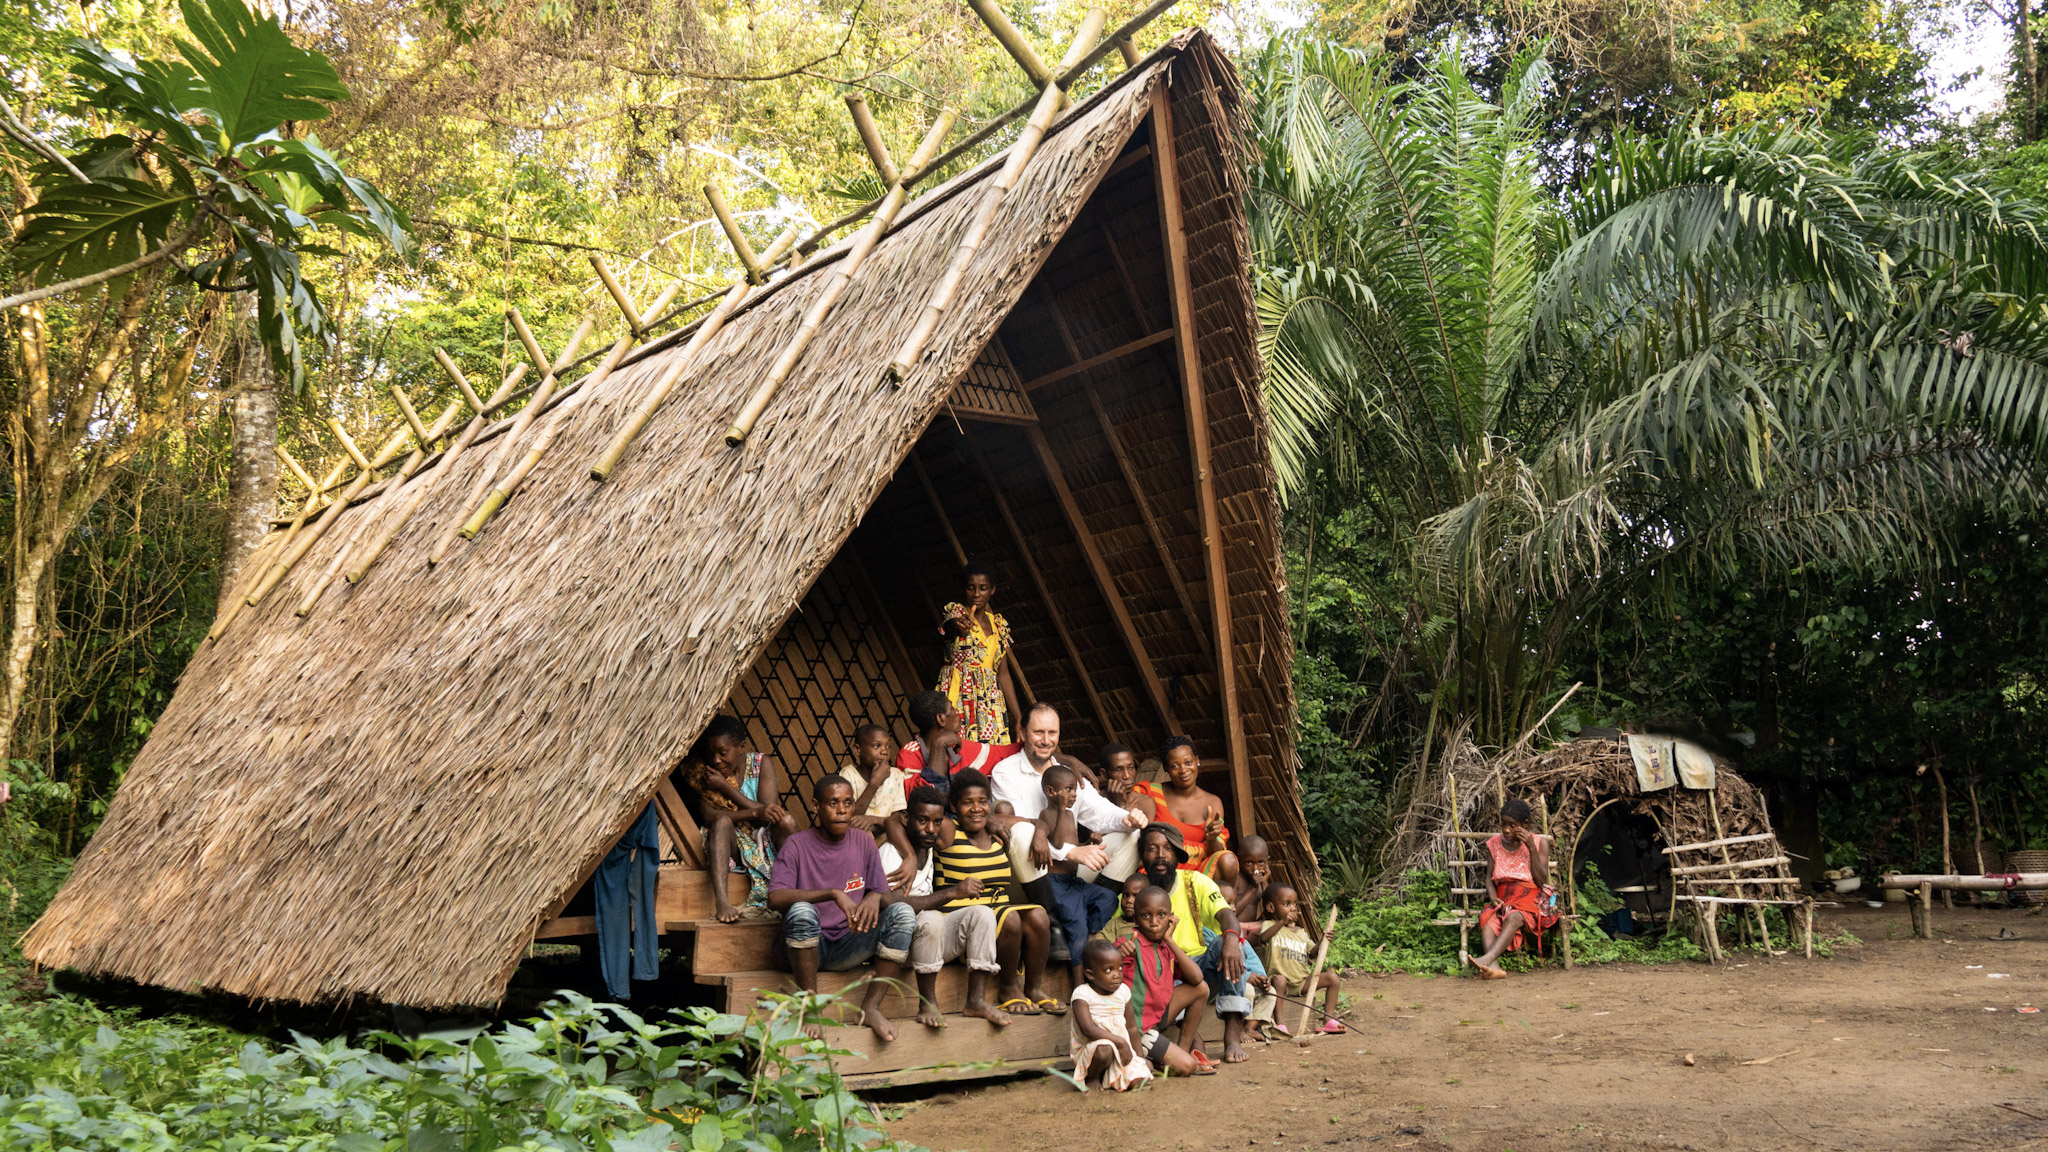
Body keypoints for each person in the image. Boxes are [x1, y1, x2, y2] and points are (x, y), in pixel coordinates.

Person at [766, 776, 915, 1041]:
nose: (842, 809)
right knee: (801, 911)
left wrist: (874, 896)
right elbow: (775, 898)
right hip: (807, 947)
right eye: (833, 803)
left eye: (848, 803)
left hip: (850, 943)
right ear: (816, 806)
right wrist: (833, 894)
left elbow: (882, 892)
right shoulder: (797, 844)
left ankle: (871, 1006)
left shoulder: (863, 841)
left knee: (902, 914)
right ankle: (810, 1008)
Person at [881, 785, 1015, 1029]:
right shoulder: (892, 852)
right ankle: (927, 1002)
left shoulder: (929, 848)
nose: (930, 829)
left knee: (982, 914)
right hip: (898, 948)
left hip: (928, 943)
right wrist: (953, 892)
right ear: (906, 819)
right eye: (922, 821)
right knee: (931, 918)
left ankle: (976, 1000)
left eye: (936, 822)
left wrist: (990, 822)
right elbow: (891, 903)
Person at [930, 768, 1059, 1015]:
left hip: (998, 913)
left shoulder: (994, 826)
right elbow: (901, 818)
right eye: (968, 803)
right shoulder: (948, 829)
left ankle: (1033, 988)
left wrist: (1040, 835)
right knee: (1009, 917)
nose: (977, 808)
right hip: (962, 922)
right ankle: (1008, 987)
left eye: (982, 802)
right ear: (954, 806)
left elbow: (1038, 822)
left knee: (1038, 915)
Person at [1135, 823, 1265, 1063]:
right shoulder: (1135, 890)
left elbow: (1227, 915)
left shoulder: (1194, 882)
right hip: (1161, 972)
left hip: (1199, 966)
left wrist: (1230, 940)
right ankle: (1194, 1041)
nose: (1161, 855)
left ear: (1177, 855)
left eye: (1167, 848)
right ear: (1143, 855)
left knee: (1226, 943)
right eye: (1152, 849)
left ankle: (1232, 1035)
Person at [988, 703, 1146, 901]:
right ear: (1022, 732)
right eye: (1038, 732)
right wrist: (1071, 852)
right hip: (1029, 874)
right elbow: (1021, 835)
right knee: (1022, 831)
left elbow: (1100, 811)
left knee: (1131, 835)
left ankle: (1095, 906)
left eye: (1052, 733)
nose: (1046, 740)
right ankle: (1051, 914)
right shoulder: (1006, 772)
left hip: (1069, 872)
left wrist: (1128, 818)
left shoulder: (1067, 774)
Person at [679, 715, 797, 923]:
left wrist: (725, 788)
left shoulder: (761, 764)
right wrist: (753, 813)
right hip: (729, 840)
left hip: (763, 838)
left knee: (786, 821)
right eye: (711, 754)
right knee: (723, 822)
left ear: (741, 747)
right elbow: (710, 816)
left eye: (723, 753)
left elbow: (768, 813)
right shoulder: (704, 773)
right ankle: (722, 902)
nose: (716, 760)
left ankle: (791, 888)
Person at [1037, 764, 1120, 992]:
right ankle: (1078, 985)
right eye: (1068, 790)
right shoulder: (1048, 814)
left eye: (1075, 789)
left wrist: (1088, 845)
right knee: (1078, 929)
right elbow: (1054, 845)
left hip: (1075, 883)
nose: (1074, 795)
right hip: (1056, 884)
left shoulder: (1071, 814)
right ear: (1051, 792)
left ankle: (1087, 936)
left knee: (1109, 898)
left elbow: (1073, 847)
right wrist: (1062, 810)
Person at [1122, 885, 1209, 1076]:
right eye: (1146, 916)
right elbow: (1107, 964)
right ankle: (1164, 1059)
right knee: (1187, 1067)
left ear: (1171, 917)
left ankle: (1183, 1049)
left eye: (1161, 915)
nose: (1154, 922)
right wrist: (1119, 955)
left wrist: (1170, 940)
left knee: (1201, 988)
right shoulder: (1128, 943)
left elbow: (1197, 978)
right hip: (1138, 1030)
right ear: (1136, 918)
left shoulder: (1166, 948)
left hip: (1157, 1018)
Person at [1131, 736, 1239, 884]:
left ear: (1197, 760)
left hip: (1198, 876)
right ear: (1166, 768)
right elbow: (1122, 811)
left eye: (1188, 763)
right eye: (1175, 766)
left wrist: (1211, 837)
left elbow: (1216, 853)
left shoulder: (1212, 802)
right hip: (1158, 870)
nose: (1183, 770)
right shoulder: (1150, 793)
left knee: (1228, 859)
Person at [1471, 798, 1558, 979]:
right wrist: (1493, 897)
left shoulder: (1539, 843)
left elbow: (1541, 880)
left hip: (1529, 900)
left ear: (1525, 825)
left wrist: (1532, 849)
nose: (1506, 830)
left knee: (1515, 916)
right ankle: (1494, 967)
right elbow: (1489, 878)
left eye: (1513, 825)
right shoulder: (1494, 844)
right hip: (1503, 899)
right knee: (1487, 919)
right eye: (1503, 824)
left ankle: (1486, 959)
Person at [935, 560, 1018, 745]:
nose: (976, 594)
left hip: (990, 704)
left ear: (992, 590)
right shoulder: (956, 613)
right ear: (964, 589)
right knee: (957, 748)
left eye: (983, 588)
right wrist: (959, 627)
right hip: (958, 697)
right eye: (971, 588)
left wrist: (1019, 717)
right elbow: (950, 627)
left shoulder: (998, 625)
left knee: (991, 753)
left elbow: (1003, 674)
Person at [1254, 883, 1343, 1035]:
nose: (1293, 908)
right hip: (1279, 984)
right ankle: (1280, 1023)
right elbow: (1263, 938)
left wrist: (1323, 940)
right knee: (1280, 980)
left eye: (1295, 904)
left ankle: (1328, 1018)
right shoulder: (1270, 925)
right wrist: (1282, 922)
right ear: (1271, 908)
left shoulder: (1301, 932)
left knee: (1333, 978)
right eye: (1287, 904)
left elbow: (1312, 953)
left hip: (1301, 982)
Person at [1068, 939, 1156, 1091]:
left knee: (1142, 1079)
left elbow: (1132, 1028)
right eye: (1109, 970)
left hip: (1122, 1051)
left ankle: (1111, 1075)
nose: (1117, 975)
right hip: (1093, 1051)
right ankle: (1093, 1077)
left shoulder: (1123, 992)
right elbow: (1088, 1029)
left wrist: (1140, 1057)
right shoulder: (1082, 994)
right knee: (1104, 1050)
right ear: (1090, 975)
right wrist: (1119, 1042)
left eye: (1120, 968)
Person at [895, 690, 998, 801]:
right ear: (941, 719)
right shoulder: (909, 754)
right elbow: (928, 800)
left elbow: (1005, 753)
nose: (957, 711)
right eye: (953, 708)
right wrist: (939, 745)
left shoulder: (957, 747)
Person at [836, 723, 911, 829]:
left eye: (888, 746)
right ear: (858, 749)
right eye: (876, 746)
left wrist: (873, 820)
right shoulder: (848, 775)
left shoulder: (896, 775)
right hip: (858, 834)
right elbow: (847, 818)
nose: (884, 751)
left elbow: (898, 819)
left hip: (887, 834)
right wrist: (874, 783)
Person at [1224, 835, 1273, 927]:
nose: (1255, 868)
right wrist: (1253, 888)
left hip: (1251, 928)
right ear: (1238, 860)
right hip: (1235, 928)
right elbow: (1231, 914)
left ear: (1267, 861)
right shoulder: (1236, 879)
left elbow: (1271, 910)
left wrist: (1265, 881)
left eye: (1261, 862)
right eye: (1249, 863)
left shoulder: (1261, 880)